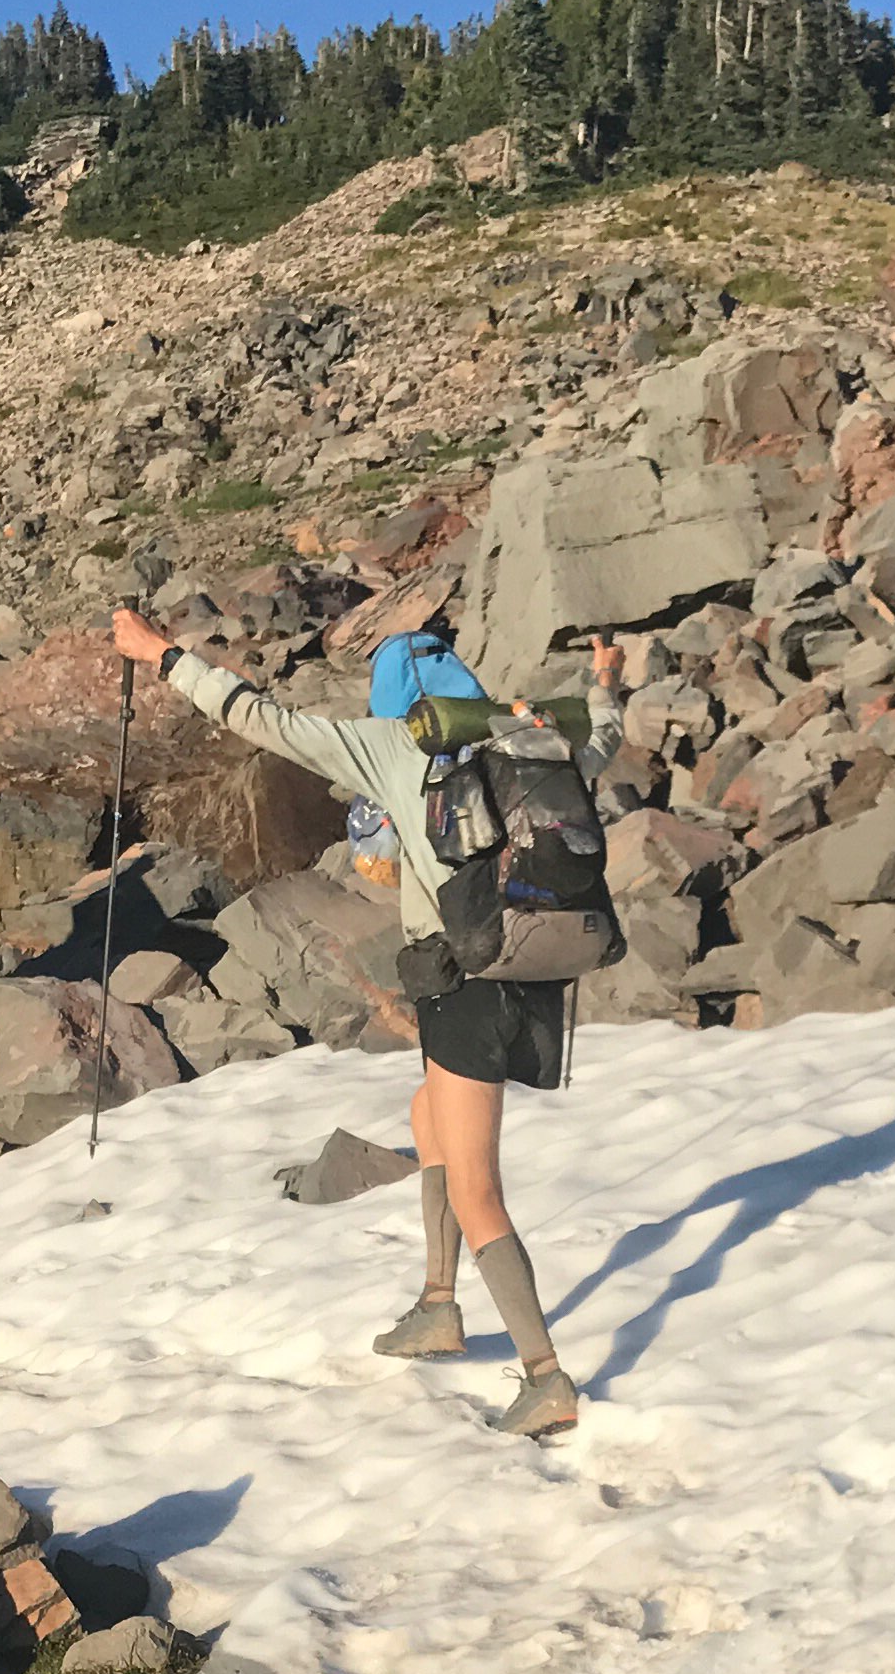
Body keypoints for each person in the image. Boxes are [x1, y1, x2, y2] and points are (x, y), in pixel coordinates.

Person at [107, 602, 607, 1441]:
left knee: (477, 1188)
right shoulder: (527, 740)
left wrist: (163, 657)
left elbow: (260, 719)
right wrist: (608, 685)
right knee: (427, 1121)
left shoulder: (392, 745)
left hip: (465, 984)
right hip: (532, 967)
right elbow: (605, 744)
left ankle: (546, 1378)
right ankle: (437, 1307)